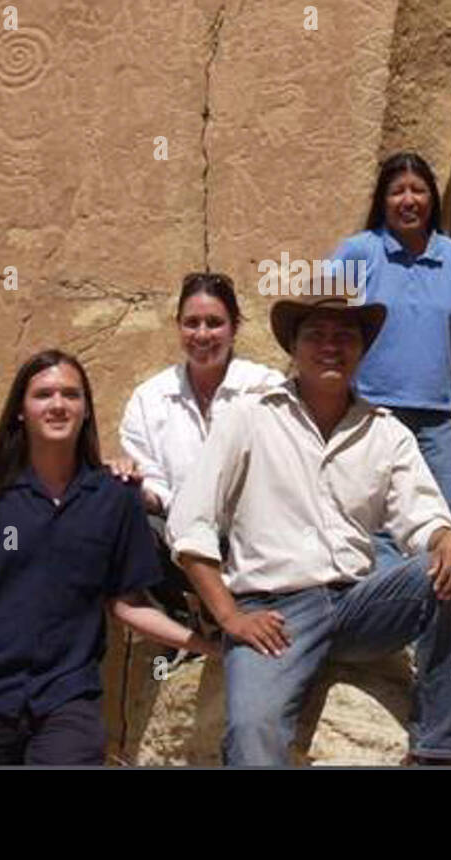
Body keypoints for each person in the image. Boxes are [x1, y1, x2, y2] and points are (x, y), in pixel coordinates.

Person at [168, 293, 451, 767]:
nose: (330, 347)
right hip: (275, 614)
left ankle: (442, 750)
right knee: (253, 732)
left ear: (362, 350)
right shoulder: (248, 418)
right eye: (316, 335)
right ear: (293, 348)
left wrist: (447, 536)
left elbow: (423, 518)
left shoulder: (385, 431)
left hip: (358, 606)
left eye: (345, 337)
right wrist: (230, 617)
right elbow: (189, 525)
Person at [0, 349, 217, 766]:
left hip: (67, 700)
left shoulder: (115, 497)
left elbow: (126, 604)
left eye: (71, 395)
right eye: (43, 394)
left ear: (86, 410)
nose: (58, 404)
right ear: (20, 410)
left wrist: (207, 645)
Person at [328, 152, 451, 567]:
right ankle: (388, 624)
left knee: (442, 519)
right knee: (377, 523)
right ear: (382, 200)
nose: (408, 200)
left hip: (436, 417)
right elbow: (325, 317)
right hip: (371, 410)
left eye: (418, 190)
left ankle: (436, 622)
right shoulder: (358, 252)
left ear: (433, 197)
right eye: (397, 191)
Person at [118, 272, 282, 659]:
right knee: (118, 506)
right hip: (184, 542)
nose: (203, 334)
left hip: (254, 540)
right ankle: (183, 622)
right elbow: (157, 488)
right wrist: (137, 491)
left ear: (235, 327)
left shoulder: (266, 388)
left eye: (215, 323)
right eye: (192, 323)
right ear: (178, 327)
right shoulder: (150, 398)